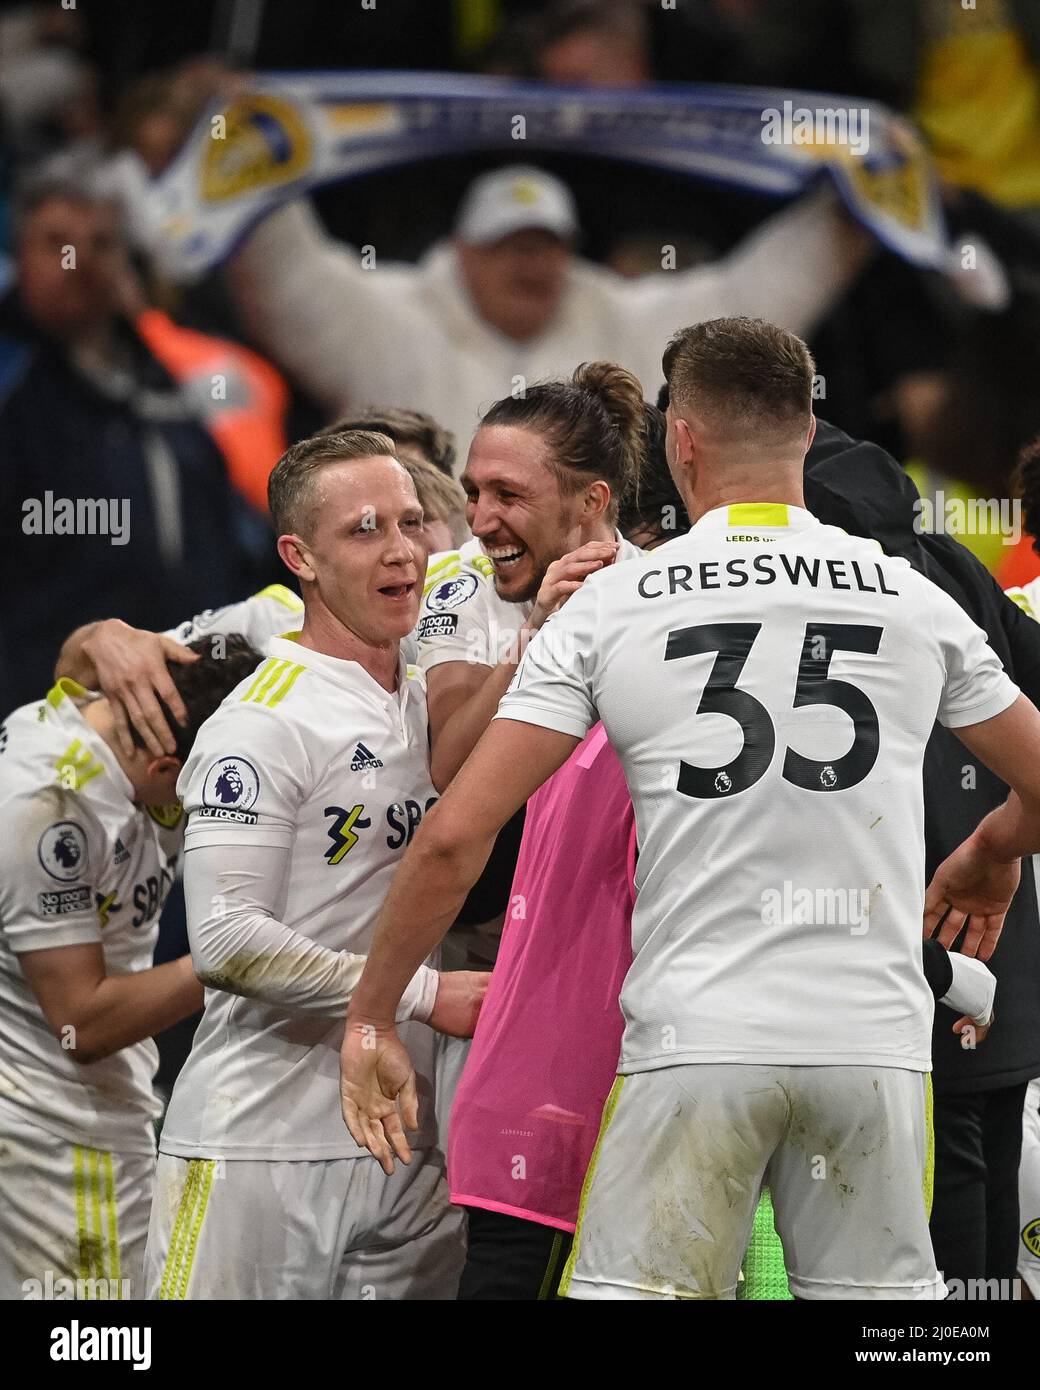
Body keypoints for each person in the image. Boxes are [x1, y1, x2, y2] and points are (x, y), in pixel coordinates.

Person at [340, 316, 1040, 1301]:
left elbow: (457, 831)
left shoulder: (611, 603)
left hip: (692, 1041)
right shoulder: (906, 594)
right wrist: (990, 854)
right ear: (804, 432)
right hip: (868, 1050)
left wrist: (372, 1014)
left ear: (679, 443)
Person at [143, 429, 487, 1301]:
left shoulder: (435, 709)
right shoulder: (263, 721)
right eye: (366, 530)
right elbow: (224, 939)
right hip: (255, 1149)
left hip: (410, 1149)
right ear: (300, 556)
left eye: (412, 523)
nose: (404, 550)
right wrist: (421, 996)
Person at [227, 164, 872, 462]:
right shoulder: (389, 318)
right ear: (463, 254)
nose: (530, 265)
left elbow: (759, 293)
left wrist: (857, 204)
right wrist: (238, 141)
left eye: (546, 246)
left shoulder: (619, 321)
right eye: (508, 246)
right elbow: (285, 275)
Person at [0, 635, 260, 1300]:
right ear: (166, 768)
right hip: (52, 1136)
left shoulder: (156, 693)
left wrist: (92, 637)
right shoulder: (48, 812)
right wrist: (237, 957)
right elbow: (81, 1024)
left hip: (109, 1113)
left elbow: (281, 611)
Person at [0, 173, 273, 714]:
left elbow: (220, 517)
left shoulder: (158, 380)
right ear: (19, 254)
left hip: (185, 686)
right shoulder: (11, 382)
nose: (79, 261)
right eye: (57, 243)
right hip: (49, 697)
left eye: (100, 243)